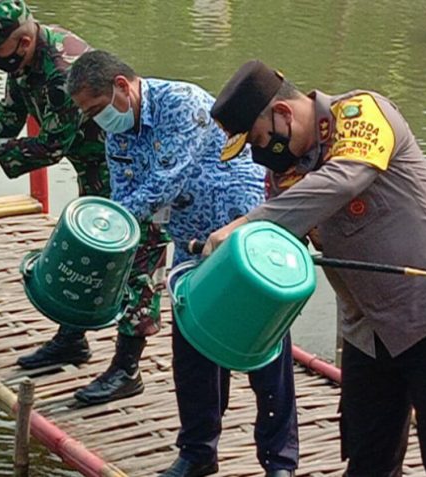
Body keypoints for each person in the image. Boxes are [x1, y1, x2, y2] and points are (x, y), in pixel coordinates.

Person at [207, 60, 426, 477]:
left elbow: (344, 180)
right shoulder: (282, 176)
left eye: (259, 139)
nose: (259, 154)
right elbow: (280, 249)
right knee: (366, 456)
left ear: (284, 114)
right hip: (366, 331)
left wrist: (248, 224)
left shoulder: (361, 115)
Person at [67, 50, 299, 477]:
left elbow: (164, 181)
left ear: (122, 85)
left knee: (264, 347)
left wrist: (105, 226)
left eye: (97, 109)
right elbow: (127, 197)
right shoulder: (116, 135)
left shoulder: (182, 102)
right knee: (192, 347)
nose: (97, 120)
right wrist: (110, 241)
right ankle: (197, 452)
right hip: (192, 242)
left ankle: (279, 462)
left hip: (240, 233)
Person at [0, 0, 169, 405]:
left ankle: (127, 370)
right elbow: (10, 115)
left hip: (133, 170)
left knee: (138, 263)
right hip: (96, 166)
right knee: (87, 253)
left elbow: (52, 146)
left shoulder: (61, 70)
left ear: (23, 41)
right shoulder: (26, 61)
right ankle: (72, 339)